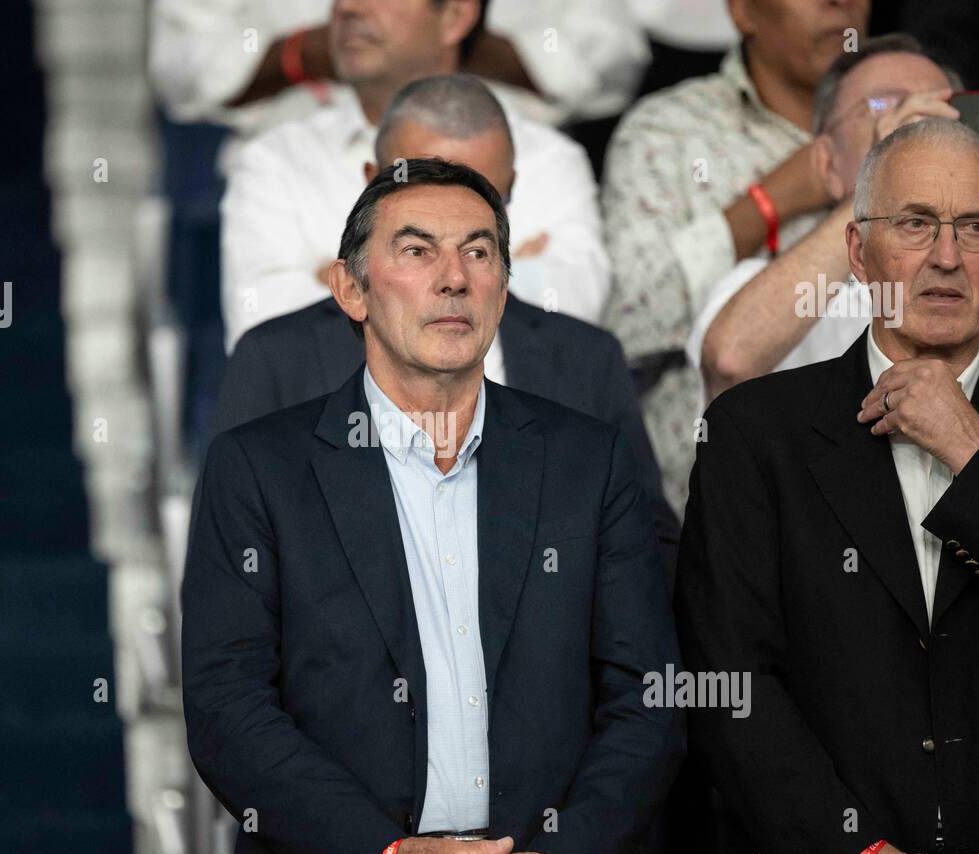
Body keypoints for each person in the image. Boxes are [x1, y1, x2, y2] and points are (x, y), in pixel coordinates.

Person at [182, 159, 683, 854]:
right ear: (350, 289)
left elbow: (647, 697)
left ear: (503, 291)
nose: (455, 278)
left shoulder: (587, 462)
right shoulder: (258, 469)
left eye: (479, 253)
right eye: (418, 251)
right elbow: (226, 708)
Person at [676, 119, 979, 854]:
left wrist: (973, 452)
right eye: (915, 224)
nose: (946, 258)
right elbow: (727, 682)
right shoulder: (756, 432)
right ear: (857, 251)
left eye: (975, 228)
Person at [213, 74, 681, 583]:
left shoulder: (586, 361)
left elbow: (646, 563)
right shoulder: (275, 361)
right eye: (419, 226)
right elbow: (232, 593)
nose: (451, 272)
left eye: (477, 202)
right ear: (370, 180)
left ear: (509, 192)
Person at [601, 0, 870, 516]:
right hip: (712, 516)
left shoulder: (918, 115)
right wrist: (771, 201)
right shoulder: (670, 131)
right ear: (743, 11)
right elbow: (628, 327)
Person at [218, 0, 611, 351]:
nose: (346, 8)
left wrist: (358, 285)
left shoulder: (549, 158)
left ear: (455, 15)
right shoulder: (274, 161)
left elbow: (569, 324)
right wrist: (501, 281)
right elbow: (263, 336)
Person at [691, 35, 979, 404]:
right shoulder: (757, 286)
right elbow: (731, 362)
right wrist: (885, 178)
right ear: (826, 163)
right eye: (884, 105)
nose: (919, 128)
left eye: (943, 111)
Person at [148, 0, 650, 136]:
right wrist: (304, 54)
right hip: (297, 179)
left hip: (505, 176)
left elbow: (615, 62)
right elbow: (179, 69)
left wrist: (447, 40)